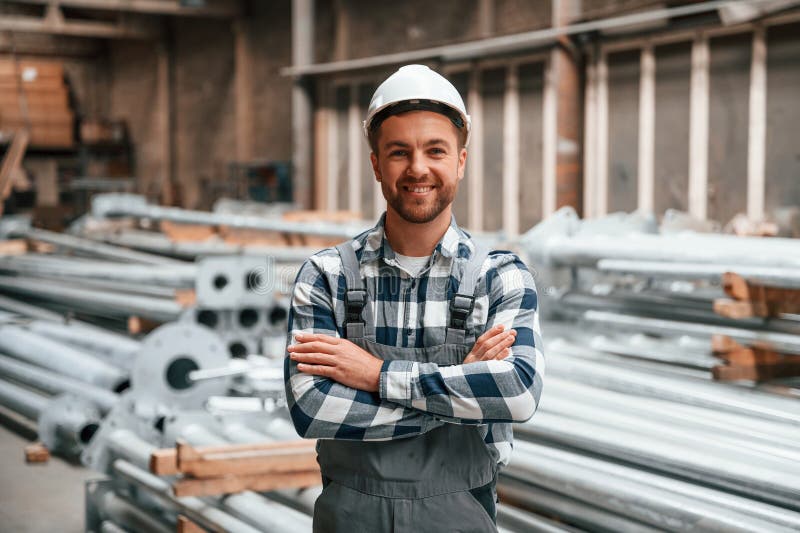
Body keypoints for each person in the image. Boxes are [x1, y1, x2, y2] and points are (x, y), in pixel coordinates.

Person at [284, 64, 544, 533]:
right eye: (399, 152)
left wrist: (375, 375)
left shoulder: (500, 276)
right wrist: (459, 390)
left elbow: (518, 393)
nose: (418, 168)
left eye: (435, 151)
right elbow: (312, 408)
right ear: (376, 164)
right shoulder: (324, 277)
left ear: (460, 161)